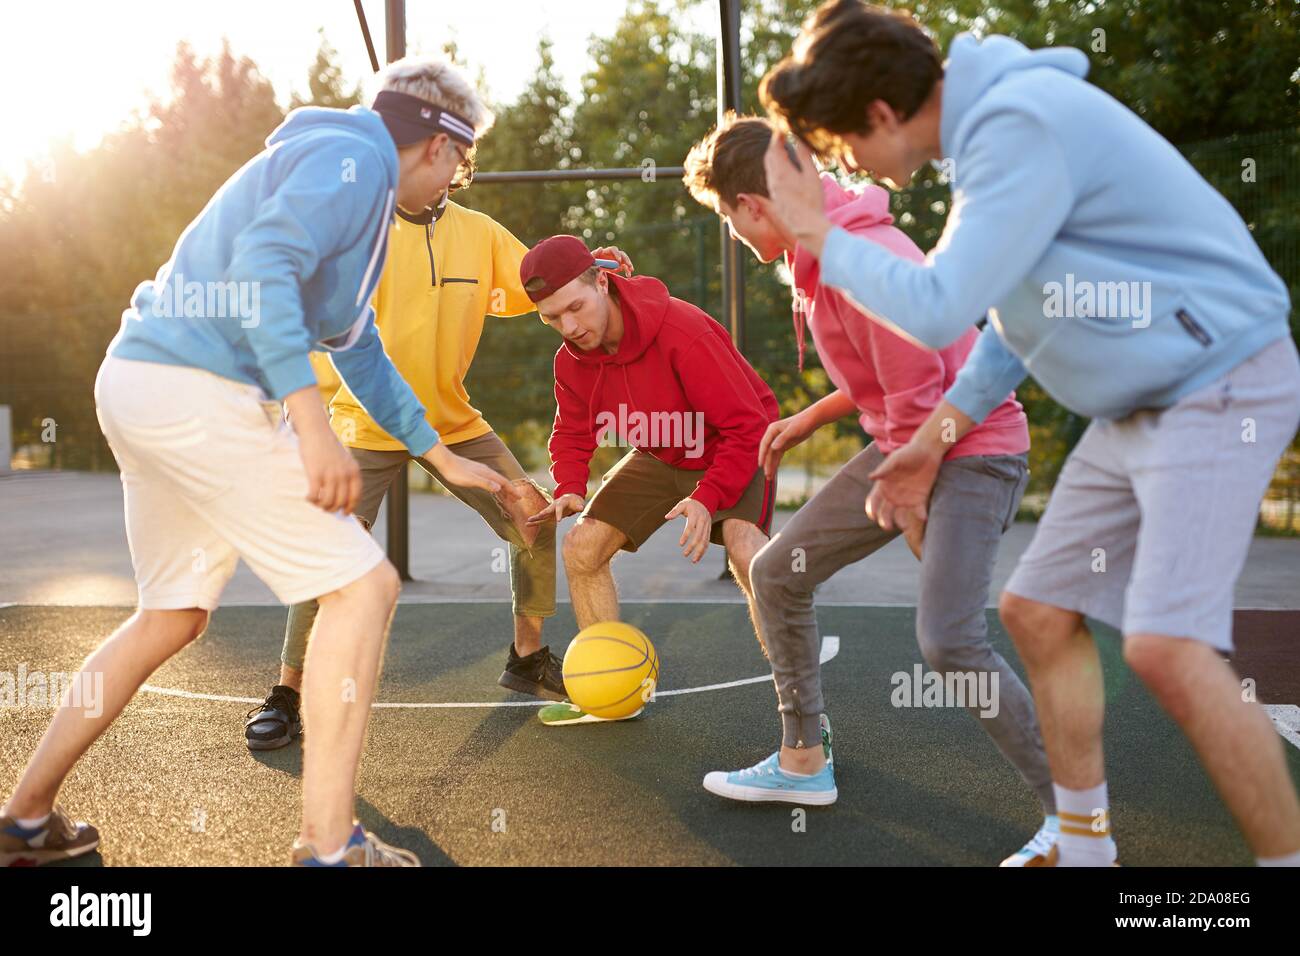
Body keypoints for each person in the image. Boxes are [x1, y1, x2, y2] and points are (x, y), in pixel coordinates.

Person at [760, 0, 1300, 866]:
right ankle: (1083, 844)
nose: (847, 167)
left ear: (882, 115)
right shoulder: (992, 143)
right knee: (1038, 611)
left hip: (1221, 382)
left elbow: (939, 312)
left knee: (1165, 644)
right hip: (1144, 405)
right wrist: (933, 441)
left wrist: (814, 230)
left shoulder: (1017, 125)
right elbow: (1018, 325)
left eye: (841, 147)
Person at [0, 59, 516, 867]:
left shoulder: (354, 188)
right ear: (436, 143)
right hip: (198, 390)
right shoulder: (358, 159)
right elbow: (263, 269)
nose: (460, 177)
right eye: (464, 157)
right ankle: (328, 844)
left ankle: (24, 819)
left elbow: (359, 348)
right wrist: (310, 425)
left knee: (172, 612)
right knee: (362, 586)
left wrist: (440, 453)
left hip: (145, 382)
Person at [683, 113, 1057, 865]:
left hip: (968, 450)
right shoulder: (822, 259)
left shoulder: (859, 257)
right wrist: (811, 415)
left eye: (728, 219)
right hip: (905, 444)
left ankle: (1074, 814)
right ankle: (802, 761)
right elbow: (881, 378)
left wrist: (910, 500)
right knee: (776, 573)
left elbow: (920, 385)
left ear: (753, 207)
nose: (735, 234)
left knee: (951, 639)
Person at [244, 58, 615, 751]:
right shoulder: (361, 228)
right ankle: (287, 690)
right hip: (360, 419)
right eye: (450, 156)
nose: (453, 170)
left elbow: (541, 277)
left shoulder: (479, 233)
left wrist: (593, 269)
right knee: (327, 551)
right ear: (430, 149)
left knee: (533, 518)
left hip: (451, 419)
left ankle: (526, 658)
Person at [521, 235, 780, 726]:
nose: (569, 327)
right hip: (661, 452)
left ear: (603, 280)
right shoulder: (569, 360)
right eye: (552, 318)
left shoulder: (682, 331)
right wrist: (570, 485)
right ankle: (608, 689)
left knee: (750, 555)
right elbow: (573, 430)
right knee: (581, 548)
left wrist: (707, 497)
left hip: (734, 443)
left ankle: (802, 713)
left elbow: (746, 427)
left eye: (575, 308)